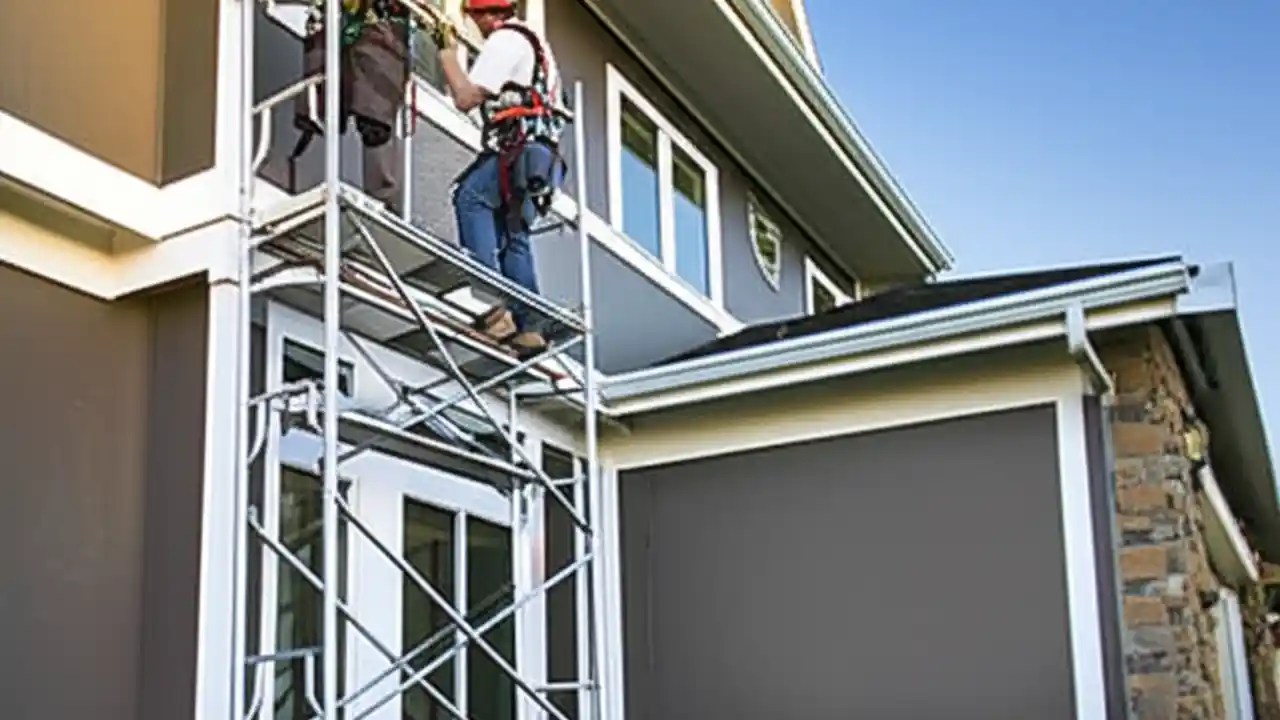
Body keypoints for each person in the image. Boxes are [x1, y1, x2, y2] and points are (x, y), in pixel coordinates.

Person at [432, 0, 570, 357]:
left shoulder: (506, 39)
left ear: (488, 15)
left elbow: (465, 97)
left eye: (474, 18)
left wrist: (446, 51)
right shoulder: (537, 43)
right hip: (541, 157)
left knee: (471, 198)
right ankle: (530, 326)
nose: (474, 26)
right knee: (513, 235)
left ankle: (493, 309)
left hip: (518, 150)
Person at [292, 0, 411, 215]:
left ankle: (384, 201)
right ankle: (298, 172)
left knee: (375, 118)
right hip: (344, 21)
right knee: (323, 104)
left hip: (377, 27)